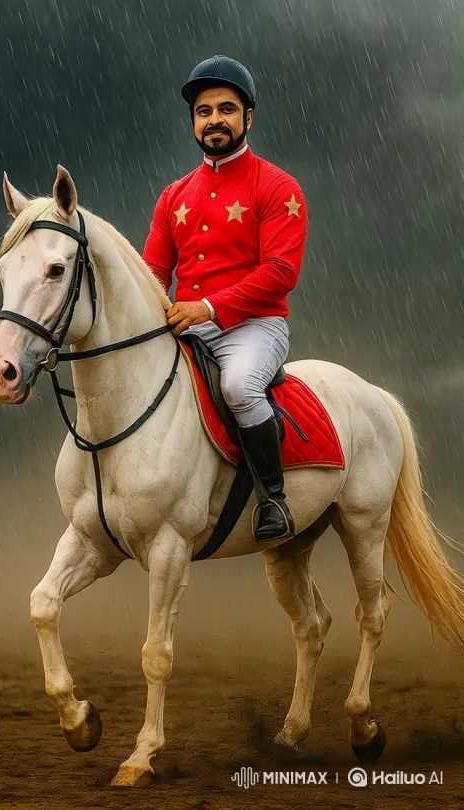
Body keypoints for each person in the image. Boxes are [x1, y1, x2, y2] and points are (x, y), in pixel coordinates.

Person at [142, 54, 308, 542]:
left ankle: (273, 497)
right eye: (204, 110)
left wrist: (209, 308)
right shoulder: (173, 195)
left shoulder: (279, 187)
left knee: (237, 387)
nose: (214, 119)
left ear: (248, 117)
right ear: (194, 121)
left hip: (256, 325)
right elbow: (154, 272)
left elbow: (280, 273)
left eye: (227, 108)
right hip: (187, 325)